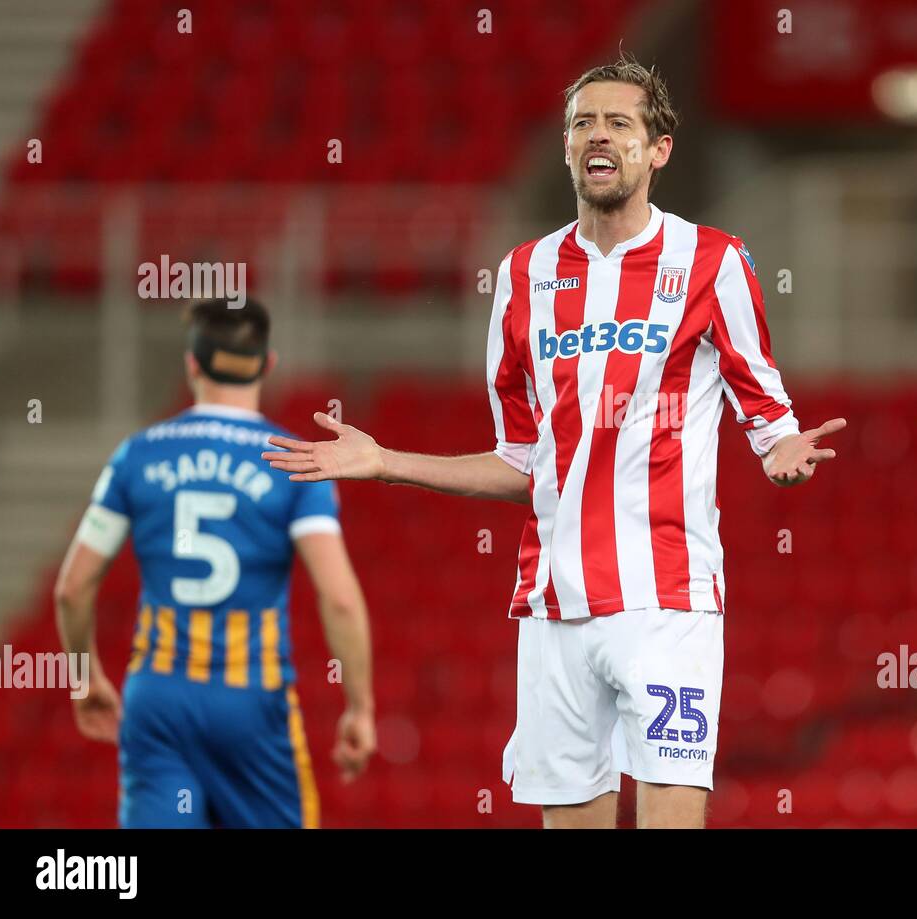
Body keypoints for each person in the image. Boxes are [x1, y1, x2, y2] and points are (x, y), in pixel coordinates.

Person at [263, 55, 844, 829]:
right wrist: (385, 462)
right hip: (553, 607)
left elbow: (770, 421)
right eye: (581, 123)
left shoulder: (713, 262)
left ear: (658, 148)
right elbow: (521, 461)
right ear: (568, 148)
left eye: (618, 122)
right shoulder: (524, 273)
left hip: (667, 604)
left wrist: (780, 452)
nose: (597, 135)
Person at [55, 299, 375, 828]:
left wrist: (84, 678)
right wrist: (360, 705)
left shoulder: (137, 454)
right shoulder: (294, 461)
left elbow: (72, 587)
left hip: (157, 696)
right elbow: (339, 598)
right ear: (268, 363)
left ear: (192, 364)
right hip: (249, 698)